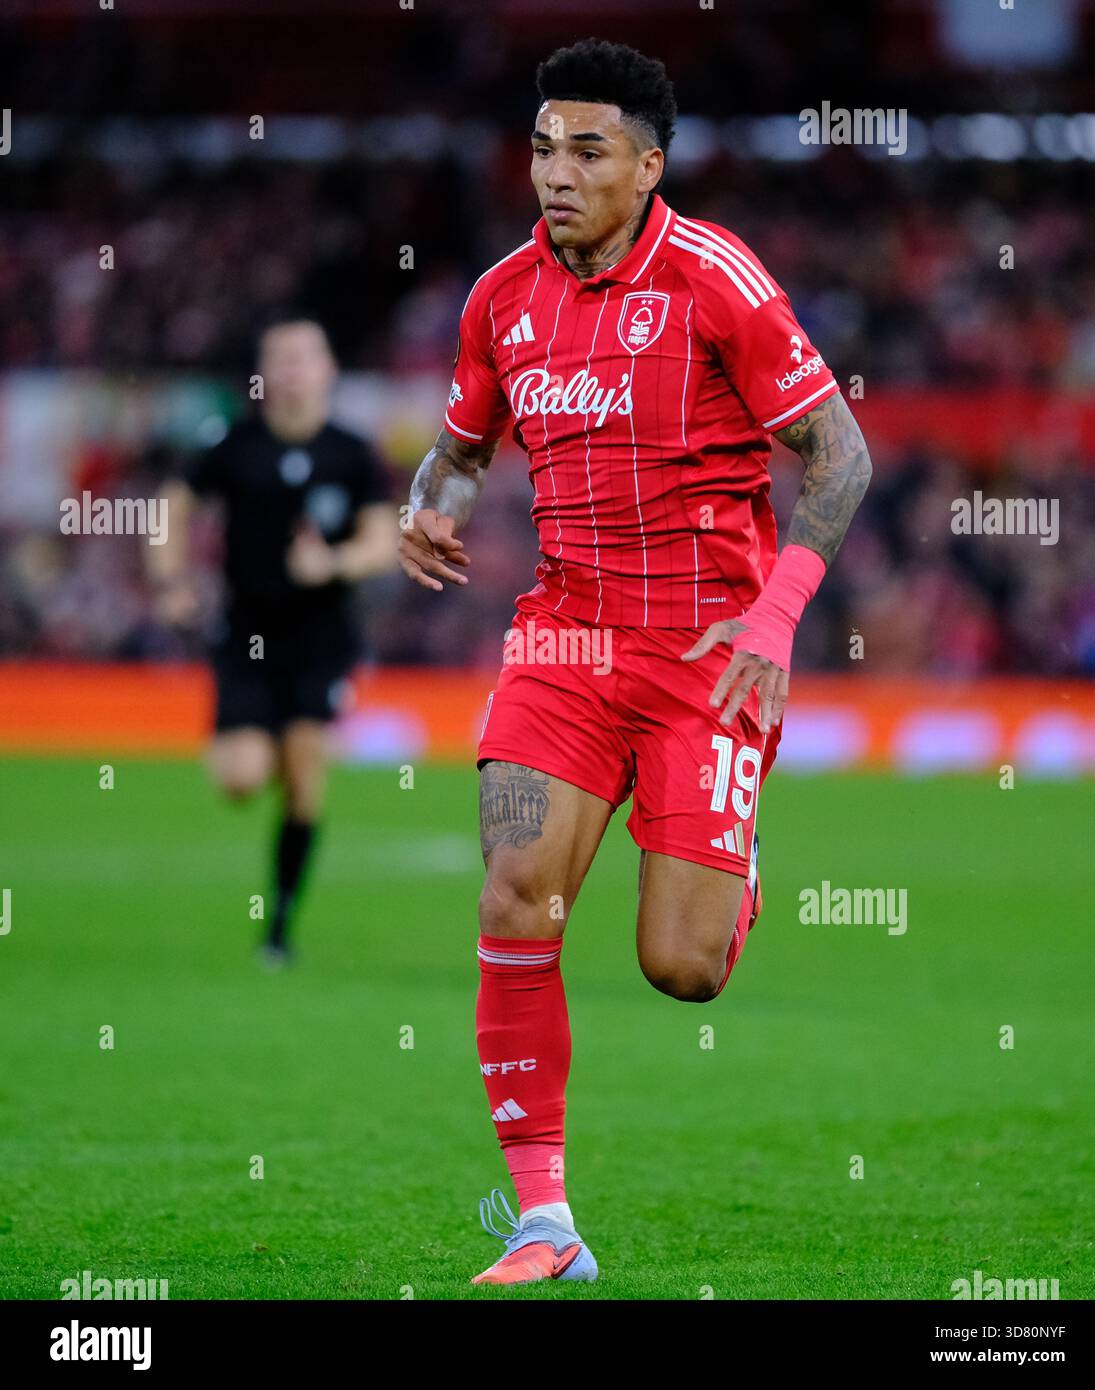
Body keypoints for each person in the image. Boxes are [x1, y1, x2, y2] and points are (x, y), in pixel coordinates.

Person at [399, 39, 872, 1284]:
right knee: (514, 889)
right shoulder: (500, 297)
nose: (555, 172)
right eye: (544, 147)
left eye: (587, 151)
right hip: (559, 640)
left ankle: (730, 853)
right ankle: (546, 1220)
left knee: (682, 967)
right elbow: (456, 448)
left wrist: (773, 618)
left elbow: (841, 456)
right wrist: (429, 499)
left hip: (705, 651)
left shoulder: (717, 278)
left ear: (647, 165)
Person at [151, 314, 398, 965]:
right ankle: (261, 745)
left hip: (321, 637)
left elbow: (380, 542)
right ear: (263, 375)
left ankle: (279, 926)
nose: (290, 370)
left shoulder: (351, 452)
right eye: (278, 359)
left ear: (327, 371)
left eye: (302, 357)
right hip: (247, 634)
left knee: (307, 774)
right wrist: (171, 580)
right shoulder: (233, 445)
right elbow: (169, 507)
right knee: (240, 778)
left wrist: (334, 563)